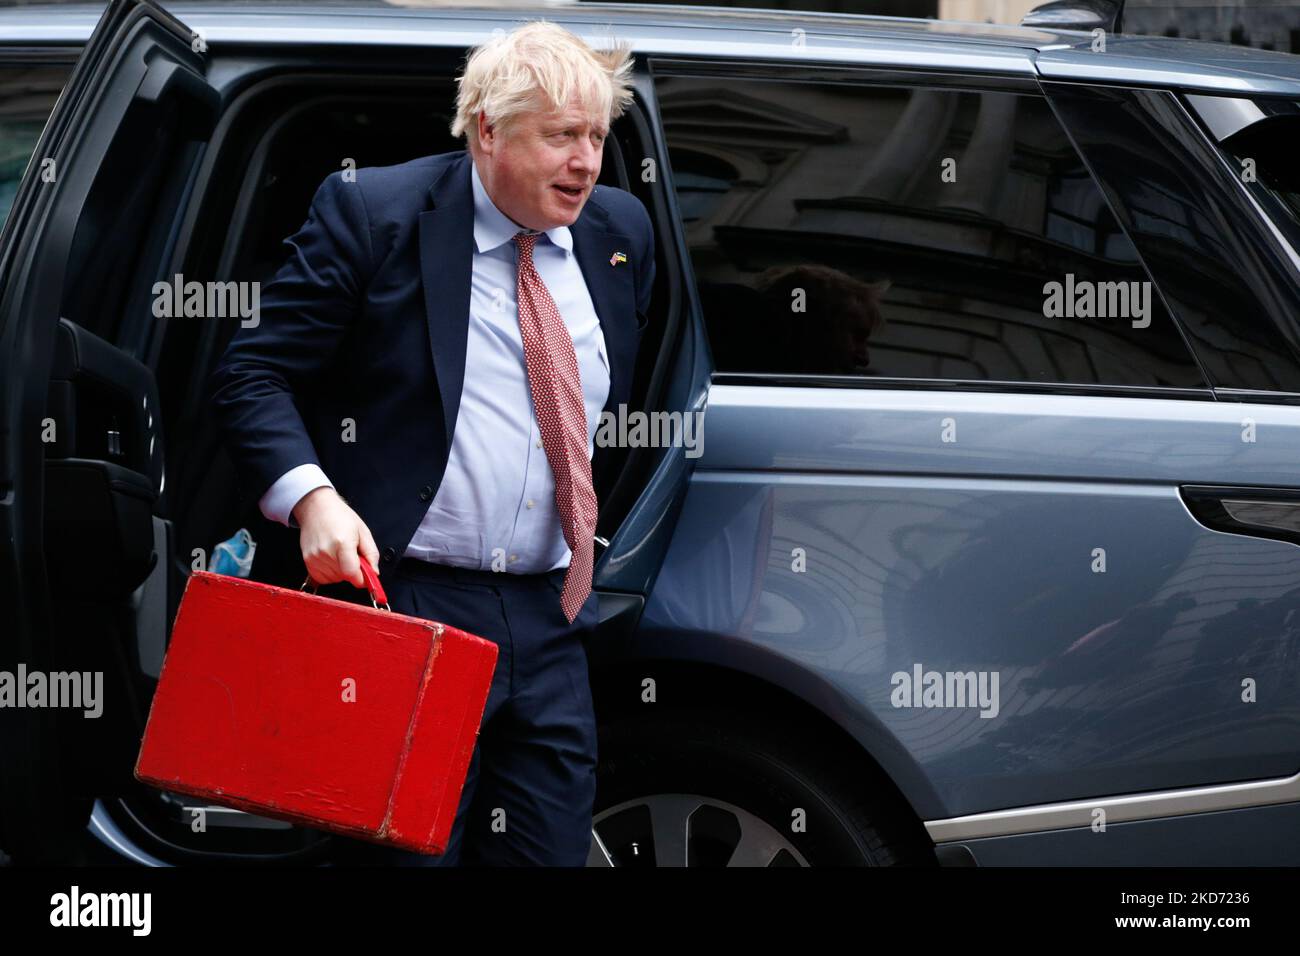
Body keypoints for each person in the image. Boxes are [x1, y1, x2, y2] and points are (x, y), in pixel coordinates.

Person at [206, 20, 654, 866]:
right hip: (401, 605)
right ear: (487, 129)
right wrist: (314, 499)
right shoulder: (375, 213)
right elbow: (253, 373)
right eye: (561, 135)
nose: (587, 162)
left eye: (597, 136)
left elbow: (618, 401)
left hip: (550, 613)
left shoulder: (620, 234)